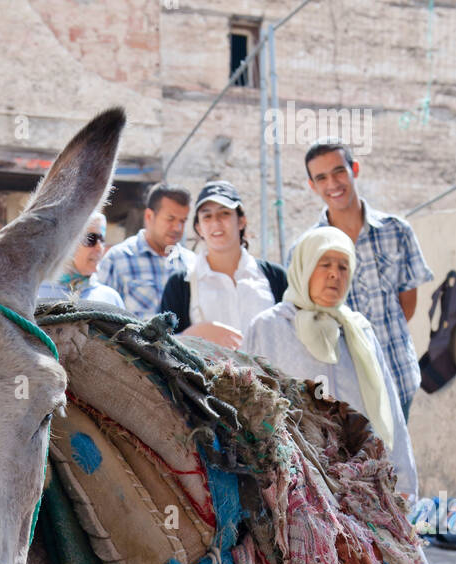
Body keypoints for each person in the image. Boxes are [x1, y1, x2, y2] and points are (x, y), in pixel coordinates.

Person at [244, 225, 449, 564]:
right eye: (325, 265)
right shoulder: (270, 326)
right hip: (300, 480)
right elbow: (253, 405)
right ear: (303, 267)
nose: (333, 276)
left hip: (363, 481)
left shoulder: (358, 327)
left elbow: (386, 412)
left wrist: (402, 477)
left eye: (342, 268)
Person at [298, 141, 433, 420]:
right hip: (345, 391)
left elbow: (406, 306)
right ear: (312, 185)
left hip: (397, 377)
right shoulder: (307, 248)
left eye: (338, 172)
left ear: (354, 169)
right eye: (321, 177)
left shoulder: (397, 231)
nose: (332, 183)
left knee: (398, 464)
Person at [160, 180, 287, 347]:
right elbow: (161, 349)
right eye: (207, 216)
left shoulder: (275, 277)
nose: (216, 222)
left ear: (241, 221)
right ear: (198, 228)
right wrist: (191, 336)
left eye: (224, 213)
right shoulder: (180, 285)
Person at [95, 183, 194, 317]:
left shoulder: (191, 263)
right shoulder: (118, 259)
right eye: (170, 219)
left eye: (183, 221)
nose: (177, 228)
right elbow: (97, 316)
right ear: (149, 216)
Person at [37, 211, 124, 307]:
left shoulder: (111, 298)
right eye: (91, 239)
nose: (100, 248)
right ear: (67, 244)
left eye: (102, 239)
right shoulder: (36, 294)